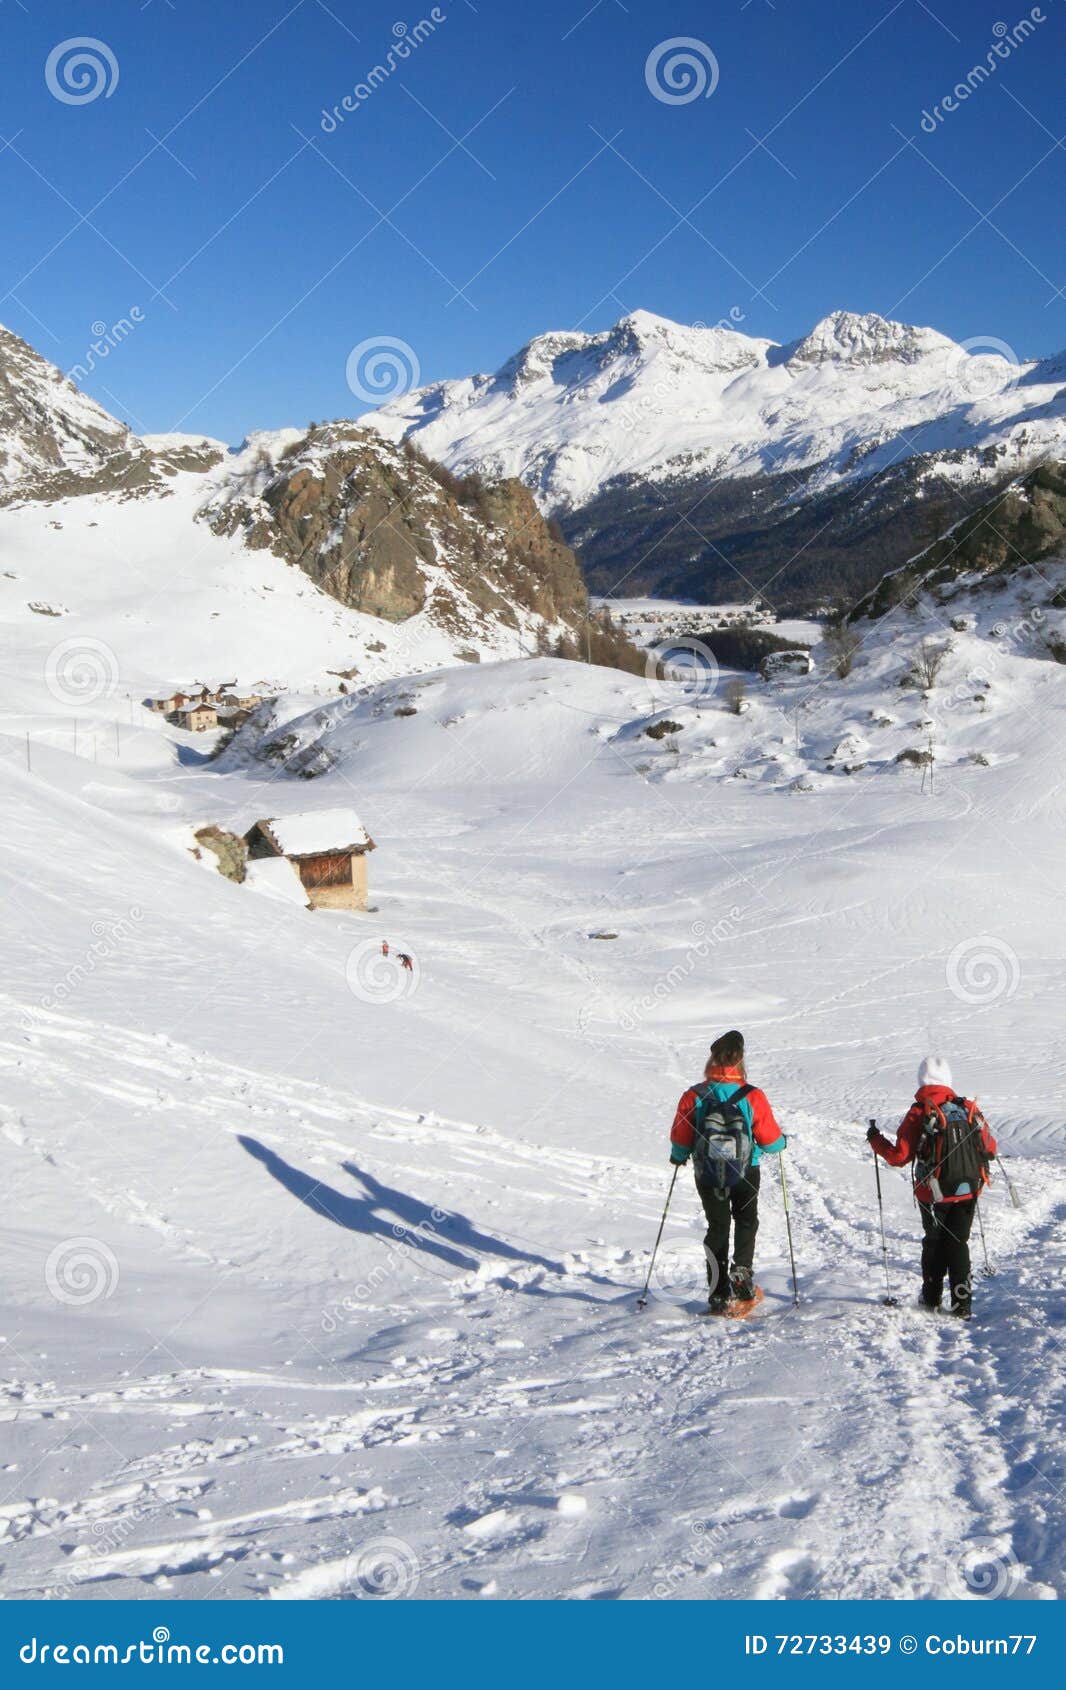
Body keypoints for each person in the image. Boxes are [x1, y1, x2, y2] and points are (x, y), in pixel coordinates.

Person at [868, 1056, 996, 1320]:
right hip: (969, 1189)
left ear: (921, 1081)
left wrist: (875, 1140)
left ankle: (931, 1297)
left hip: (933, 1192)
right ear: (947, 1080)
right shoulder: (968, 1108)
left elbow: (899, 1157)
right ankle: (963, 1304)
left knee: (935, 1242)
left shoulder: (919, 1112)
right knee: (959, 1242)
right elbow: (990, 1148)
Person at [669, 1030, 787, 1312]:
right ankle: (742, 1272)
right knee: (746, 1220)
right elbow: (771, 1142)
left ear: (712, 1060)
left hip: (708, 1175)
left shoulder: (694, 1095)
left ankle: (718, 1292)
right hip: (746, 1172)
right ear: (740, 1061)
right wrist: (782, 1142)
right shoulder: (752, 1095)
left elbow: (681, 1137)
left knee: (718, 1226)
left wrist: (678, 1157)